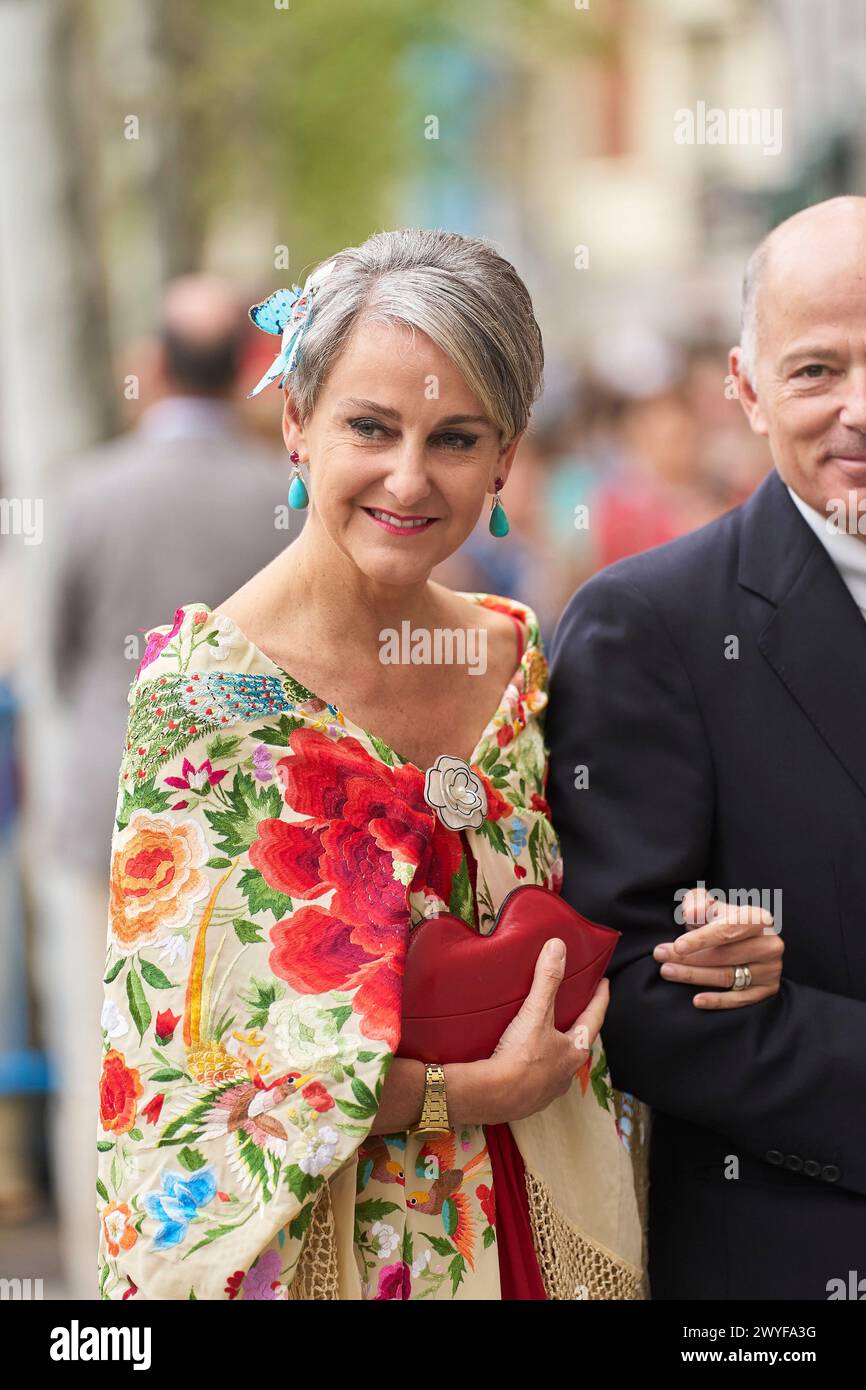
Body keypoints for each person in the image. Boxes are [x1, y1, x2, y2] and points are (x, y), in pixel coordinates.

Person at [95, 229, 778, 1301]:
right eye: (370, 426)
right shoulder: (202, 694)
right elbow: (178, 1074)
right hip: (334, 1255)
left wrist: (709, 936)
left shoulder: (517, 658)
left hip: (555, 1225)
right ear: (295, 425)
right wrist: (454, 1095)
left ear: (506, 459)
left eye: (455, 438)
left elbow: (595, 908)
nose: (408, 478)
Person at [546, 195, 866, 1301]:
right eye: (815, 370)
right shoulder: (649, 624)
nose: (855, 411)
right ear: (743, 387)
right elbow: (629, 982)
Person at [42, 273, 299, 1298]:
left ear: (150, 370)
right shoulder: (278, 498)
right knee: (228, 1061)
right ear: (246, 372)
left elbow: (55, 659)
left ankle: (99, 1280)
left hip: (104, 813)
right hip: (246, 818)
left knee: (95, 1057)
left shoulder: (86, 490)